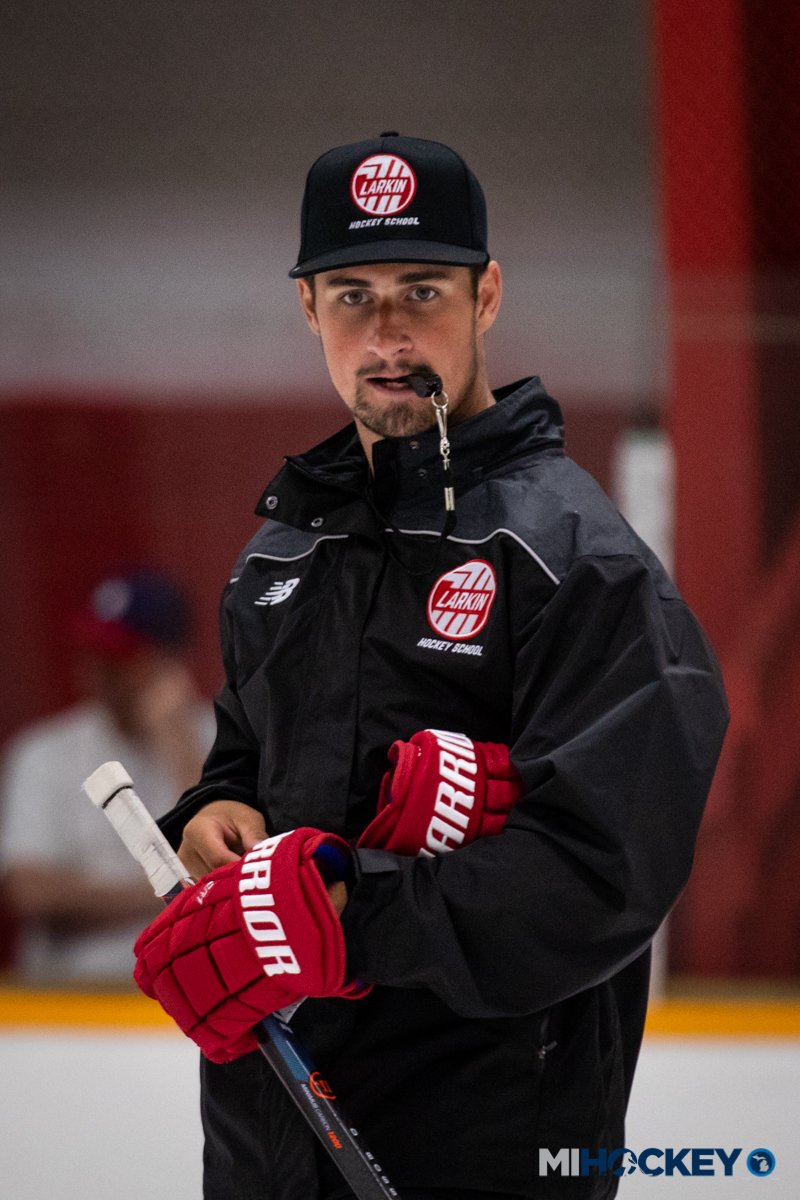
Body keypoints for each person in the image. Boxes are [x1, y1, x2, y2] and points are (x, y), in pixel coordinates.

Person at [133, 134, 728, 1199]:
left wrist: (341, 912)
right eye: (353, 295)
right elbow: (245, 761)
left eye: (423, 289)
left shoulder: (575, 556)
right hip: (269, 1138)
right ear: (307, 309)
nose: (390, 332)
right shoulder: (281, 553)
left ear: (486, 295)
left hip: (486, 1146)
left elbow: (605, 873)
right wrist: (215, 818)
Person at [0, 570, 215, 984]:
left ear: (170, 661)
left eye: (120, 657)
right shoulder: (44, 751)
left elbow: (223, 876)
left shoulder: (222, 740)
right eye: (92, 651)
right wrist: (173, 898)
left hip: (191, 989)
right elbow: (29, 890)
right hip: (70, 995)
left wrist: (179, 746)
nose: (98, 670)